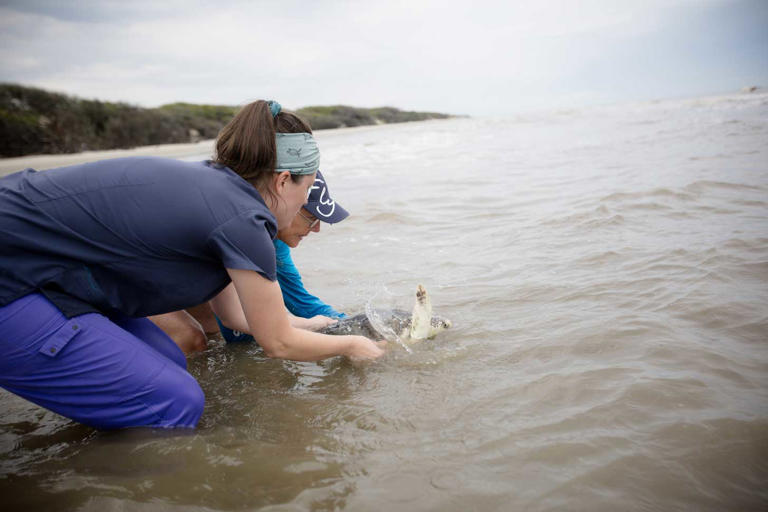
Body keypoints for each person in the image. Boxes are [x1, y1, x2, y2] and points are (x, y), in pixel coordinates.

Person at [0, 100, 385, 430]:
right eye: (307, 187)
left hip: (41, 259)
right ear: (284, 181)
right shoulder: (245, 219)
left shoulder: (218, 187)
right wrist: (351, 344)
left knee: (168, 361)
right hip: (13, 271)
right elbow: (278, 343)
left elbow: (237, 316)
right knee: (176, 401)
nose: (310, 209)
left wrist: (321, 325)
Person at [217, 169, 348, 343]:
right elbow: (235, 321)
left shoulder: (277, 243)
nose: (317, 229)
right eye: (312, 218)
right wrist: (309, 326)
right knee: (191, 337)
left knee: (212, 327)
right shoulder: (240, 231)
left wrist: (347, 324)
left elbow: (299, 300)